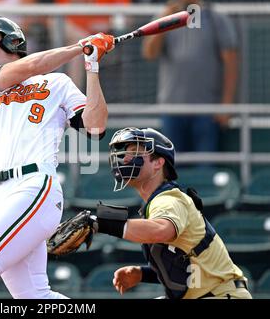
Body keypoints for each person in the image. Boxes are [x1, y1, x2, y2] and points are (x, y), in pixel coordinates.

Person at [0, 15, 112, 299]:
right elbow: (33, 65)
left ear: (12, 42)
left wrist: (92, 67)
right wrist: (80, 46)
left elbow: (96, 127)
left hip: (35, 185)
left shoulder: (57, 83)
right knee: (34, 295)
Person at [86, 127, 252, 299]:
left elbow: (160, 230)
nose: (126, 158)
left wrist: (102, 222)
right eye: (125, 153)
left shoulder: (169, 199)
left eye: (135, 152)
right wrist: (142, 274)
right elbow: (188, 270)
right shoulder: (158, 202)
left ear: (158, 162)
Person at [142, 0, 238, 153]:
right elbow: (149, 53)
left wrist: (226, 104)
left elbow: (231, 63)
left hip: (207, 110)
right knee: (171, 167)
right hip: (172, 109)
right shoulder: (164, 16)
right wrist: (166, 19)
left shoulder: (216, 18)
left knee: (205, 169)